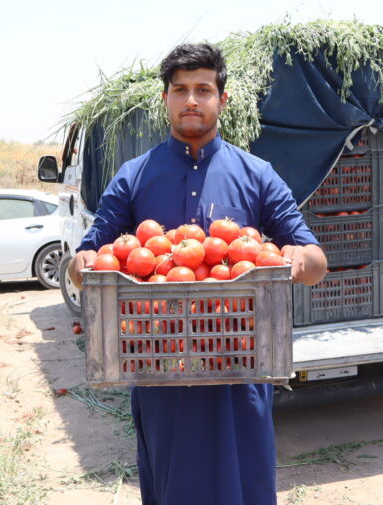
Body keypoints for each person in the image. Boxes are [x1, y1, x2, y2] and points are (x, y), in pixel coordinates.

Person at [70, 43, 327, 505]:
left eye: (203, 89)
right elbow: (87, 257)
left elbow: (315, 262)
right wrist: (82, 265)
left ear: (222, 100)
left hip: (240, 368)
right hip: (161, 368)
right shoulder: (133, 176)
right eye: (181, 89)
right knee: (174, 483)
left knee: (245, 484)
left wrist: (299, 259)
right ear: (165, 99)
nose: (191, 100)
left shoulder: (257, 174)